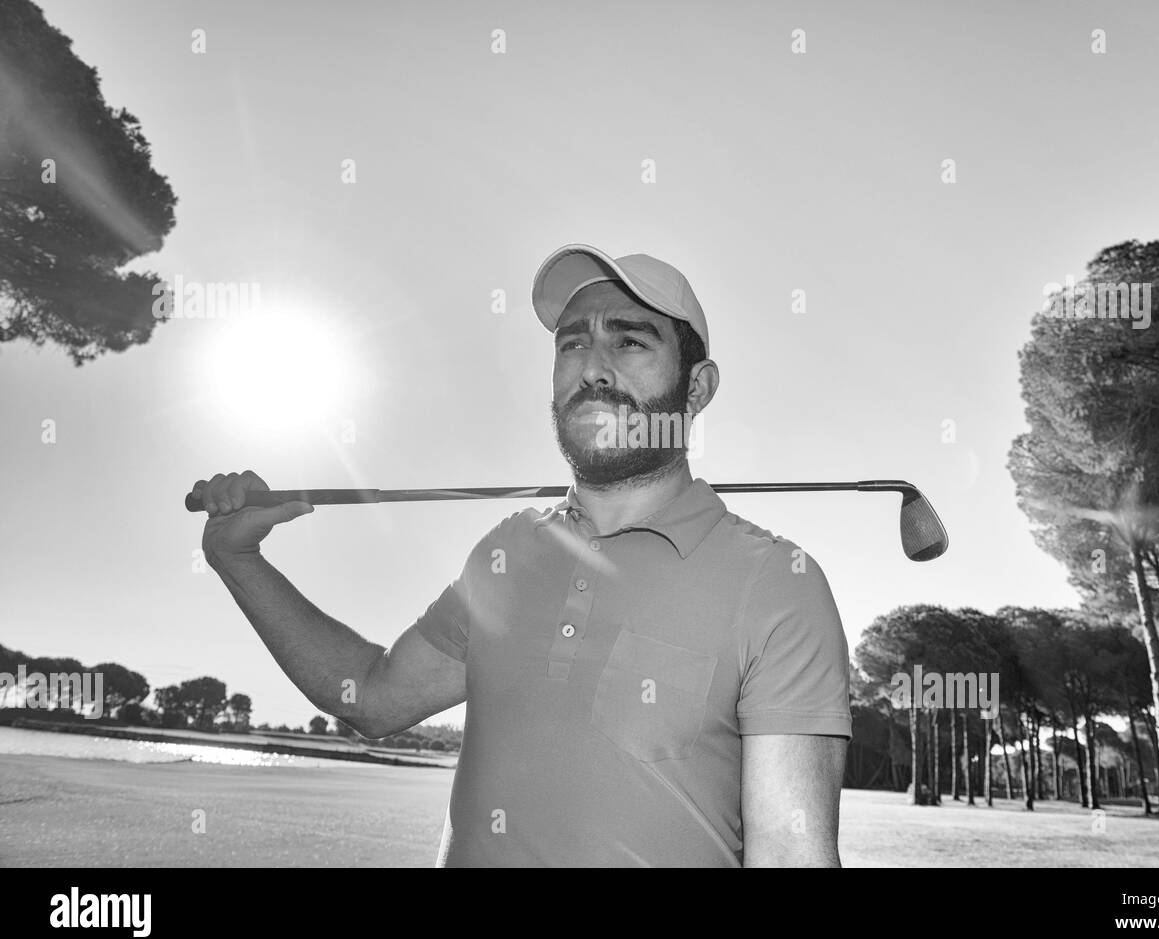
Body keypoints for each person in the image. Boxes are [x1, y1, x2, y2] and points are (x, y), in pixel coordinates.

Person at [194, 243, 852, 867]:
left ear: (698, 388)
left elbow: (792, 856)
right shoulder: (506, 553)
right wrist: (239, 560)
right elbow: (369, 697)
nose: (593, 368)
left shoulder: (777, 585)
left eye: (629, 339)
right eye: (573, 343)